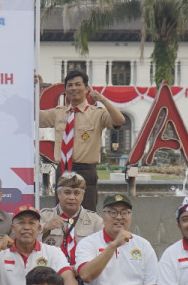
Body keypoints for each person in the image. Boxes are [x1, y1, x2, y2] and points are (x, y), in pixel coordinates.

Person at [38, 69, 125, 209]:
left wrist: (102, 99)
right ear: (65, 90)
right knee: (62, 215)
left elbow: (119, 120)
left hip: (85, 171)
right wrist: (36, 90)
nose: (73, 88)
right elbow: (33, 116)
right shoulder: (58, 113)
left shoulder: (97, 113)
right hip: (63, 170)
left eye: (78, 84)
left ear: (86, 89)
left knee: (87, 216)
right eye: (70, 85)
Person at [39, 171, 103, 265]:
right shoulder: (44, 216)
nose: (72, 197)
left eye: (77, 193)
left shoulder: (95, 220)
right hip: (50, 271)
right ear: (58, 194)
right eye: (67, 192)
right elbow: (30, 245)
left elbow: (103, 249)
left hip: (83, 272)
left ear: (83, 196)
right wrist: (46, 228)